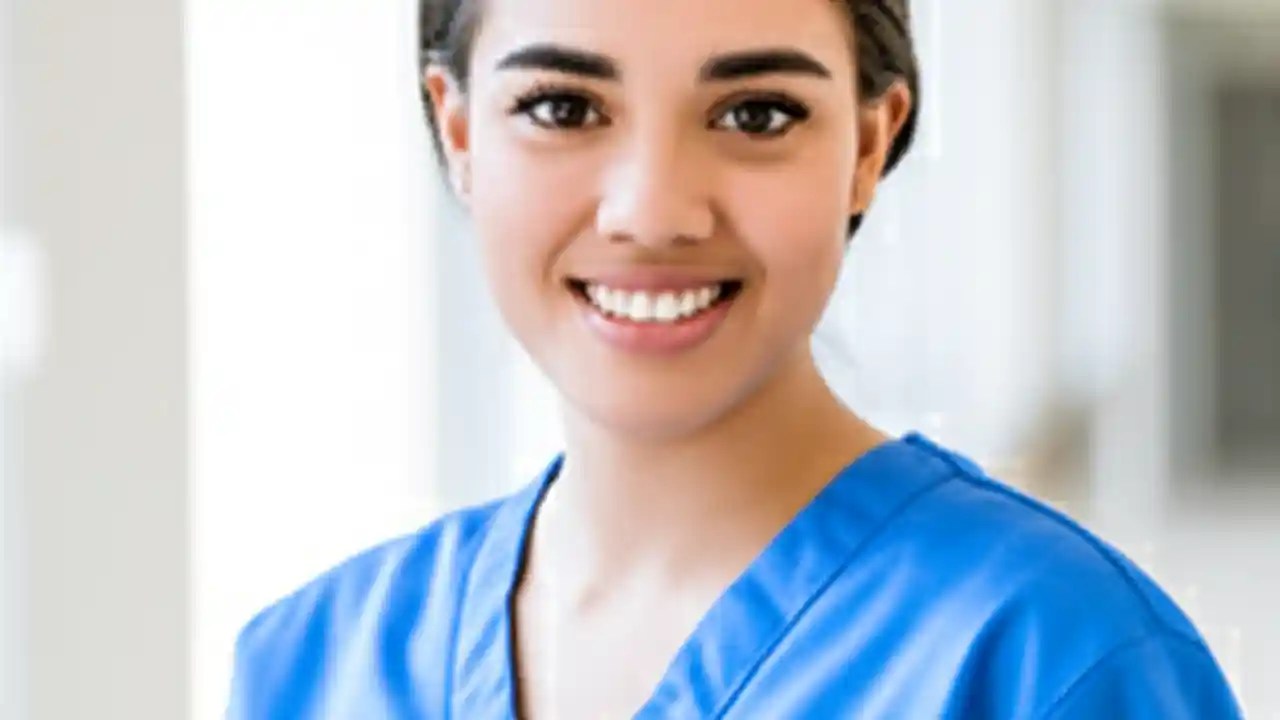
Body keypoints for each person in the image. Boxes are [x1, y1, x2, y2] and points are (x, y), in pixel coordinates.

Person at [227, 0, 1244, 717]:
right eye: (562, 108)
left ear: (865, 145)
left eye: (754, 114)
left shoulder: (1045, 660)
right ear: (457, 131)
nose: (653, 212)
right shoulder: (315, 668)